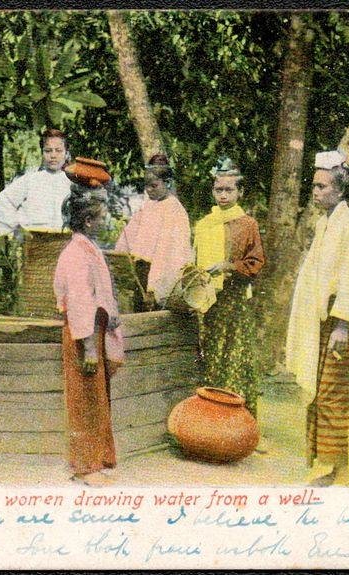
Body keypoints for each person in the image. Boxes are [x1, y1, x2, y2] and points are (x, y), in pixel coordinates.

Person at [285, 149, 349, 486]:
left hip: (339, 326)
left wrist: (341, 325)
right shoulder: (325, 226)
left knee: (332, 392)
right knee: (319, 389)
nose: (315, 192)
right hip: (319, 323)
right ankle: (321, 459)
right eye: (314, 186)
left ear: (339, 190)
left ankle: (333, 464)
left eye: (322, 187)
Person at [53, 169, 124, 487]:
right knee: (83, 399)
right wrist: (90, 347)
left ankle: (97, 456)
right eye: (104, 214)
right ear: (89, 222)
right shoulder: (75, 255)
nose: (108, 219)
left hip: (94, 330)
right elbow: (80, 302)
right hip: (83, 336)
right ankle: (85, 466)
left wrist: (109, 318)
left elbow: (99, 294)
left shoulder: (88, 249)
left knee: (96, 397)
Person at [194, 157, 265, 417]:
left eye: (229, 190)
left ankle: (239, 421)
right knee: (210, 357)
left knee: (234, 356)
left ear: (240, 192)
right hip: (206, 301)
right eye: (218, 190)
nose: (223, 195)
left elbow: (256, 262)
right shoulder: (204, 224)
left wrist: (229, 266)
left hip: (233, 301)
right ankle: (210, 420)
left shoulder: (247, 224)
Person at [114, 153, 193, 309]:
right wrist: (118, 259)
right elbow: (128, 236)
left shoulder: (173, 209)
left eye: (154, 185)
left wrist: (153, 287)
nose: (149, 190)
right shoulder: (147, 206)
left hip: (160, 275)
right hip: (139, 272)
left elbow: (165, 252)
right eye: (146, 185)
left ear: (168, 183)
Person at [0, 128, 72, 240]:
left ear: (66, 153)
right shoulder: (30, 180)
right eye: (48, 151)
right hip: (33, 241)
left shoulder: (72, 183)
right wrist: (18, 230)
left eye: (58, 150)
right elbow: (3, 203)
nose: (53, 155)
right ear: (42, 152)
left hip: (65, 242)